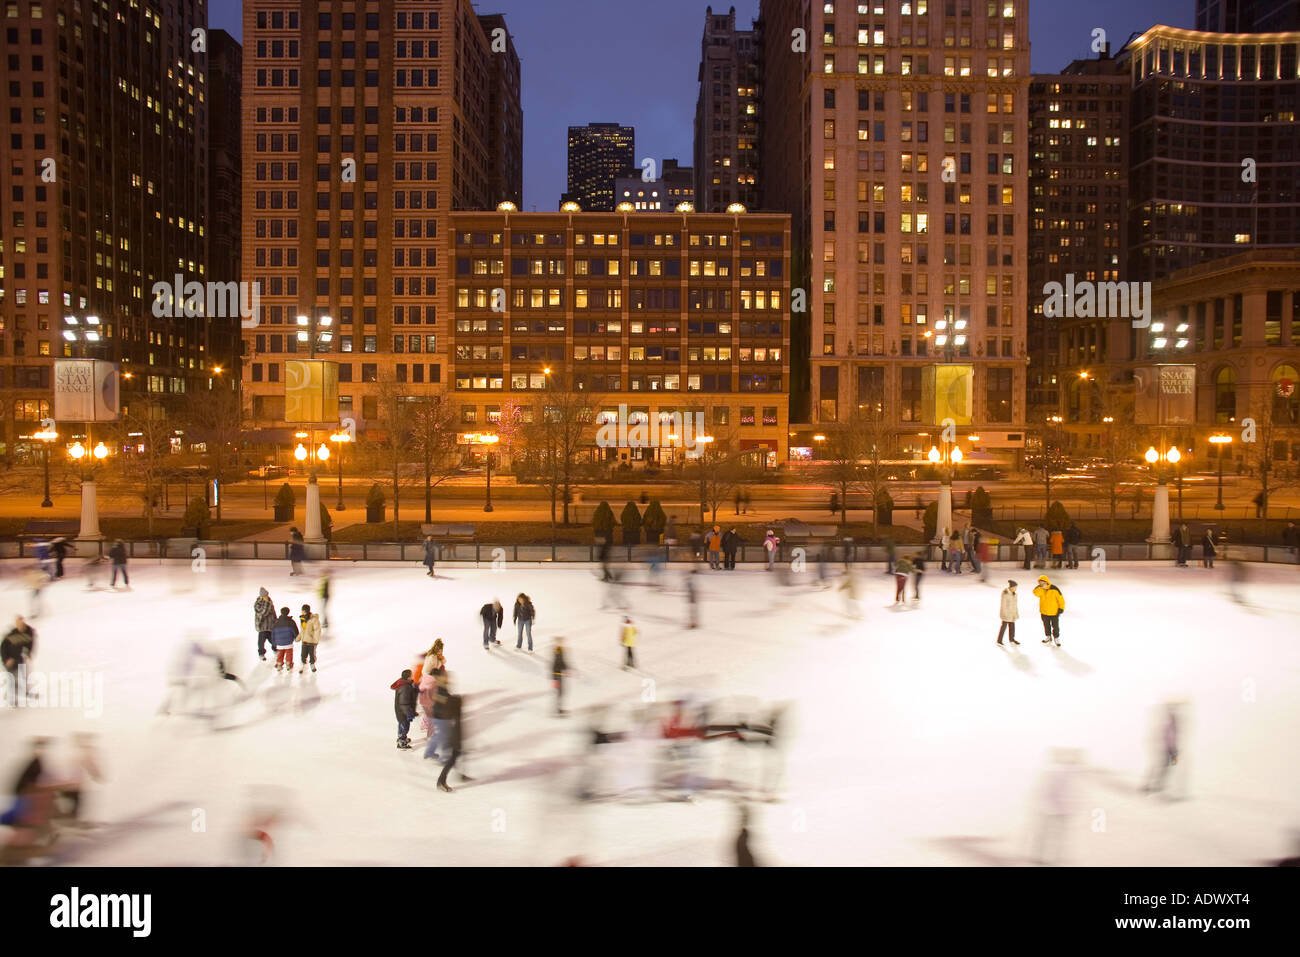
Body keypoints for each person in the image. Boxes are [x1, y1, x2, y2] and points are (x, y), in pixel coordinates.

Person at [2, 616, 36, 706]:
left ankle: (25, 692)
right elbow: (2, 648)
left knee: (24, 675)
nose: (20, 626)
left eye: (21, 624)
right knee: (12, 679)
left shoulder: (29, 631)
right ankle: (12, 699)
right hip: (9, 659)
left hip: (18, 657)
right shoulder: (11, 635)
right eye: (18, 625)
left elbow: (30, 642)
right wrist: (6, 660)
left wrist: (29, 651)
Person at [1033, 575, 1065, 647]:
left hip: (1054, 612)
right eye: (1040, 583)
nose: (1041, 584)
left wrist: (1061, 608)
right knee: (1046, 625)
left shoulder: (1054, 589)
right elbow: (1035, 593)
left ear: (1046, 582)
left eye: (1042, 582)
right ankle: (1048, 636)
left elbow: (1061, 599)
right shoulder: (1040, 589)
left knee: (1055, 626)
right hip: (1044, 612)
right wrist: (1040, 587)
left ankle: (1056, 638)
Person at [391, 669, 418, 749]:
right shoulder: (405, 687)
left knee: (402, 725)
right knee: (405, 726)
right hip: (403, 712)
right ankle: (402, 742)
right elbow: (404, 703)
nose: (412, 676)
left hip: (402, 711)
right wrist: (409, 713)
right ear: (408, 677)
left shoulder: (404, 684)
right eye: (411, 675)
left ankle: (402, 737)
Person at [270, 606, 299, 672]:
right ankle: (288, 663)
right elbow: (295, 631)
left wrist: (274, 642)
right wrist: (296, 637)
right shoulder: (291, 622)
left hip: (279, 643)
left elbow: (273, 633)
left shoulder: (276, 622)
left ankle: (279, 663)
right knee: (289, 653)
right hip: (288, 642)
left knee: (280, 653)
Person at [254, 587, 276, 661]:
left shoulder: (269, 601)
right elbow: (263, 613)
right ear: (262, 596)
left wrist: (275, 621)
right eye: (265, 595)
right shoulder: (258, 603)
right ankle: (261, 654)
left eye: (267, 595)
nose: (267, 597)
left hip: (270, 625)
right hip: (262, 626)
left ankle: (275, 649)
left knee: (273, 639)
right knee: (261, 642)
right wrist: (266, 603)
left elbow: (273, 612)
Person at [298, 604, 322, 673]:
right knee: (303, 654)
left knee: (312, 655)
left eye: (302, 610)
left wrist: (315, 640)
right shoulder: (302, 618)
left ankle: (312, 664)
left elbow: (317, 630)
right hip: (304, 641)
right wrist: (299, 637)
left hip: (311, 642)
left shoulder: (313, 619)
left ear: (305, 611)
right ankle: (302, 664)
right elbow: (303, 630)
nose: (301, 612)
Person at [997, 580, 1021, 646]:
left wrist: (1016, 613)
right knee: (1004, 626)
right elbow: (1003, 605)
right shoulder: (1005, 594)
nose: (1016, 589)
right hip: (1006, 614)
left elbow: (1015, 605)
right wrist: (1004, 614)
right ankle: (999, 640)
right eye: (1015, 587)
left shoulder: (1014, 594)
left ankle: (1012, 639)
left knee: (1012, 626)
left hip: (1012, 613)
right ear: (1011, 587)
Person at [551, 640, 570, 716]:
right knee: (559, 693)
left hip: (558, 676)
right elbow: (557, 665)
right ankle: (557, 709)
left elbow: (561, 663)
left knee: (560, 693)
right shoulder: (558, 654)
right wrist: (555, 679)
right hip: (558, 676)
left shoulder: (558, 654)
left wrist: (566, 669)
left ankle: (558, 708)